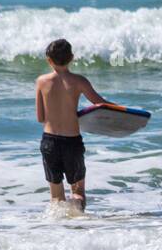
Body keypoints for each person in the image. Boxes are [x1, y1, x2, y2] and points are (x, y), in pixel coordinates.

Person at [35, 38, 108, 212]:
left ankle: (61, 229)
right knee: (78, 193)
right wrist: (124, 113)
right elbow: (101, 104)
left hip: (49, 143)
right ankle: (75, 214)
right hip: (71, 143)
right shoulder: (79, 81)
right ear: (72, 57)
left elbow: (40, 117)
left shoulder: (41, 81)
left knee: (56, 198)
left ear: (49, 60)